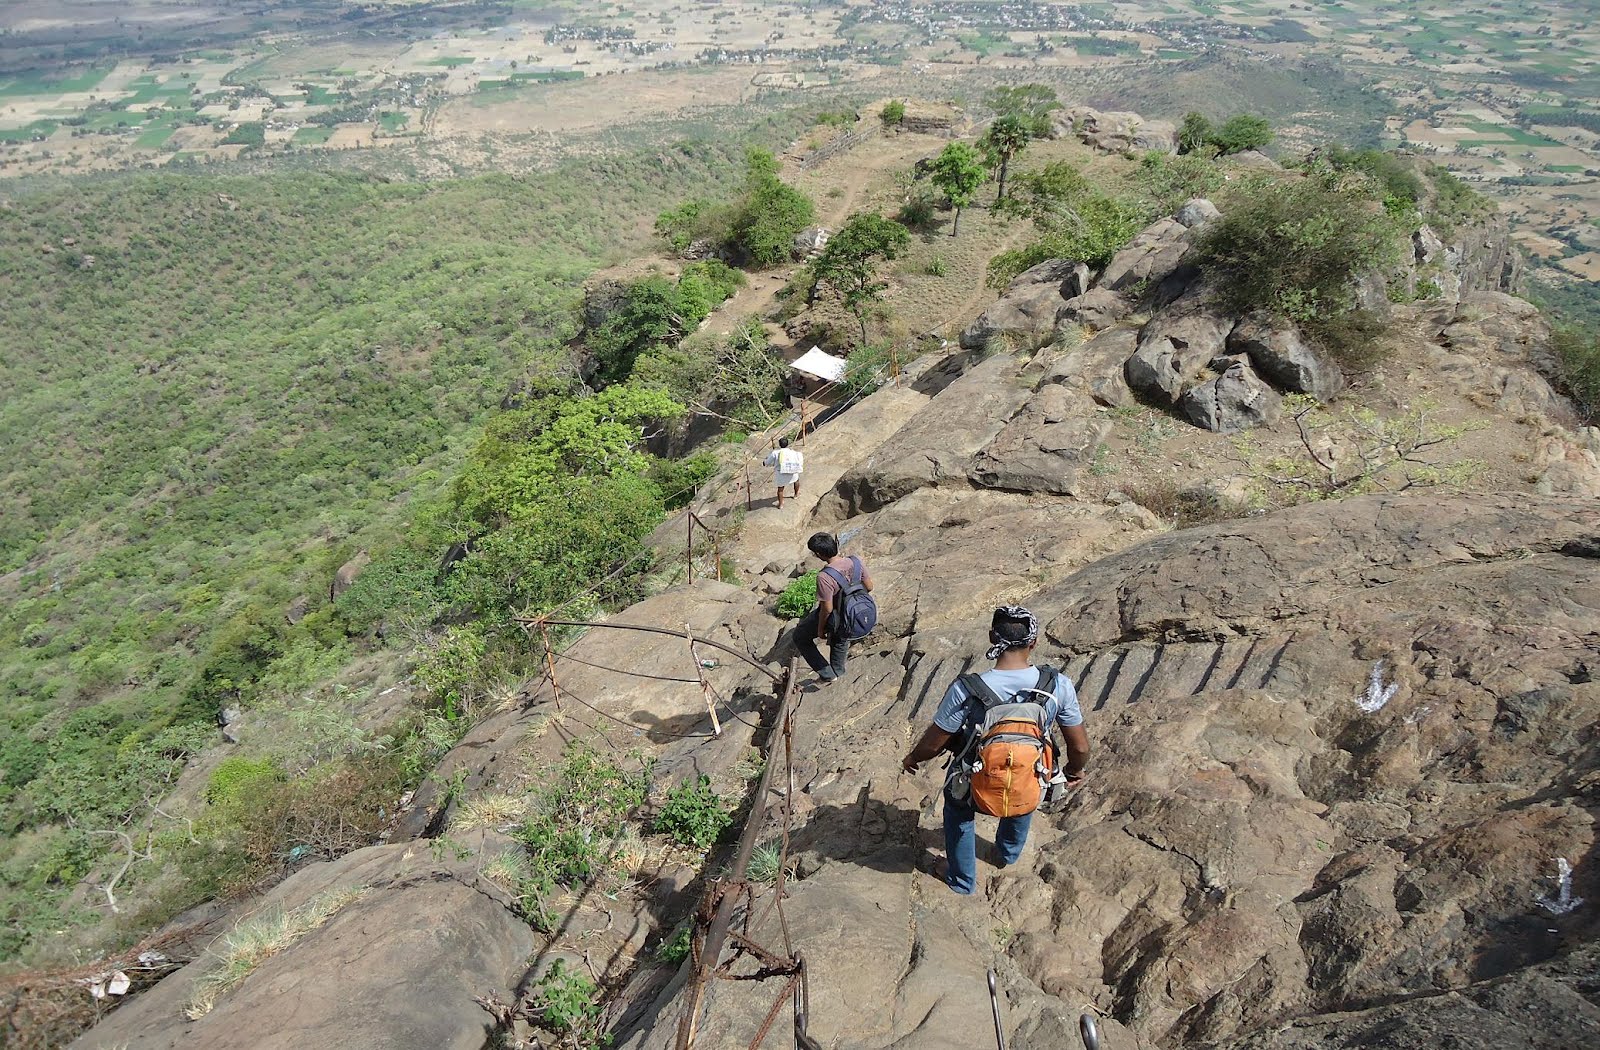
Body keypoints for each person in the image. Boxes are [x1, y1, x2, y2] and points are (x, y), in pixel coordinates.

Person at [901, 606, 1089, 895]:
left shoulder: (967, 688)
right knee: (1026, 785)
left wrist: (914, 757)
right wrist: (1074, 770)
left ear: (992, 637)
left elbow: (935, 742)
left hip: (975, 777)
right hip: (1029, 772)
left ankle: (962, 880)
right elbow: (1080, 746)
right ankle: (1007, 854)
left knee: (957, 809)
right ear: (1033, 642)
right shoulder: (1058, 685)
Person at [793, 531, 872, 686]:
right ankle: (838, 672)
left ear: (819, 554)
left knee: (800, 637)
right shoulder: (856, 561)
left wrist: (820, 630)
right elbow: (869, 587)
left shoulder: (825, 577)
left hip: (836, 615)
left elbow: (827, 609)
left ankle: (827, 674)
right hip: (854, 613)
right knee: (840, 639)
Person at [763, 437, 804, 508]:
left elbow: (767, 462)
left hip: (781, 473)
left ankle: (781, 504)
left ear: (779, 444)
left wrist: (764, 462)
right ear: (787, 444)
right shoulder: (793, 452)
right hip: (792, 471)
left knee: (780, 489)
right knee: (796, 481)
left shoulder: (775, 453)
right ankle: (796, 494)